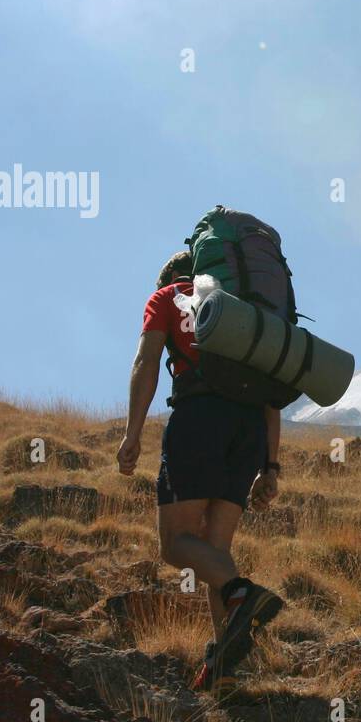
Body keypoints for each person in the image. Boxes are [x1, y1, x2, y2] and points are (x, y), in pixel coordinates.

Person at [117, 250, 284, 691]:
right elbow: (269, 395)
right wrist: (270, 466)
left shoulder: (169, 297)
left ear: (173, 277)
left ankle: (244, 592)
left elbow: (146, 362)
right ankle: (224, 670)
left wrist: (132, 433)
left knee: (176, 544)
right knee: (215, 551)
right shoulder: (245, 311)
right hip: (247, 430)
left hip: (199, 417)